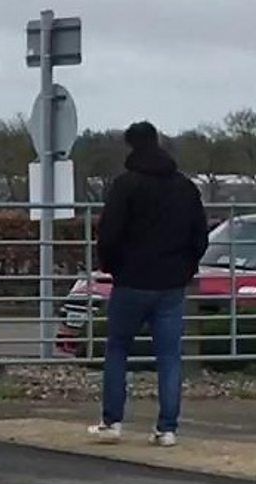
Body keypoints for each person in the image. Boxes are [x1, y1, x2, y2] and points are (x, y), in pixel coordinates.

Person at [89, 121, 208, 447]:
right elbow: (200, 235)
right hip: (171, 284)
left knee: (117, 349)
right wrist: (186, 268)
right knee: (169, 356)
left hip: (131, 281)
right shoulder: (184, 187)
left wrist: (113, 267)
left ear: (131, 146)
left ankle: (112, 422)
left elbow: (109, 234)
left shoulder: (126, 186)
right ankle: (167, 428)